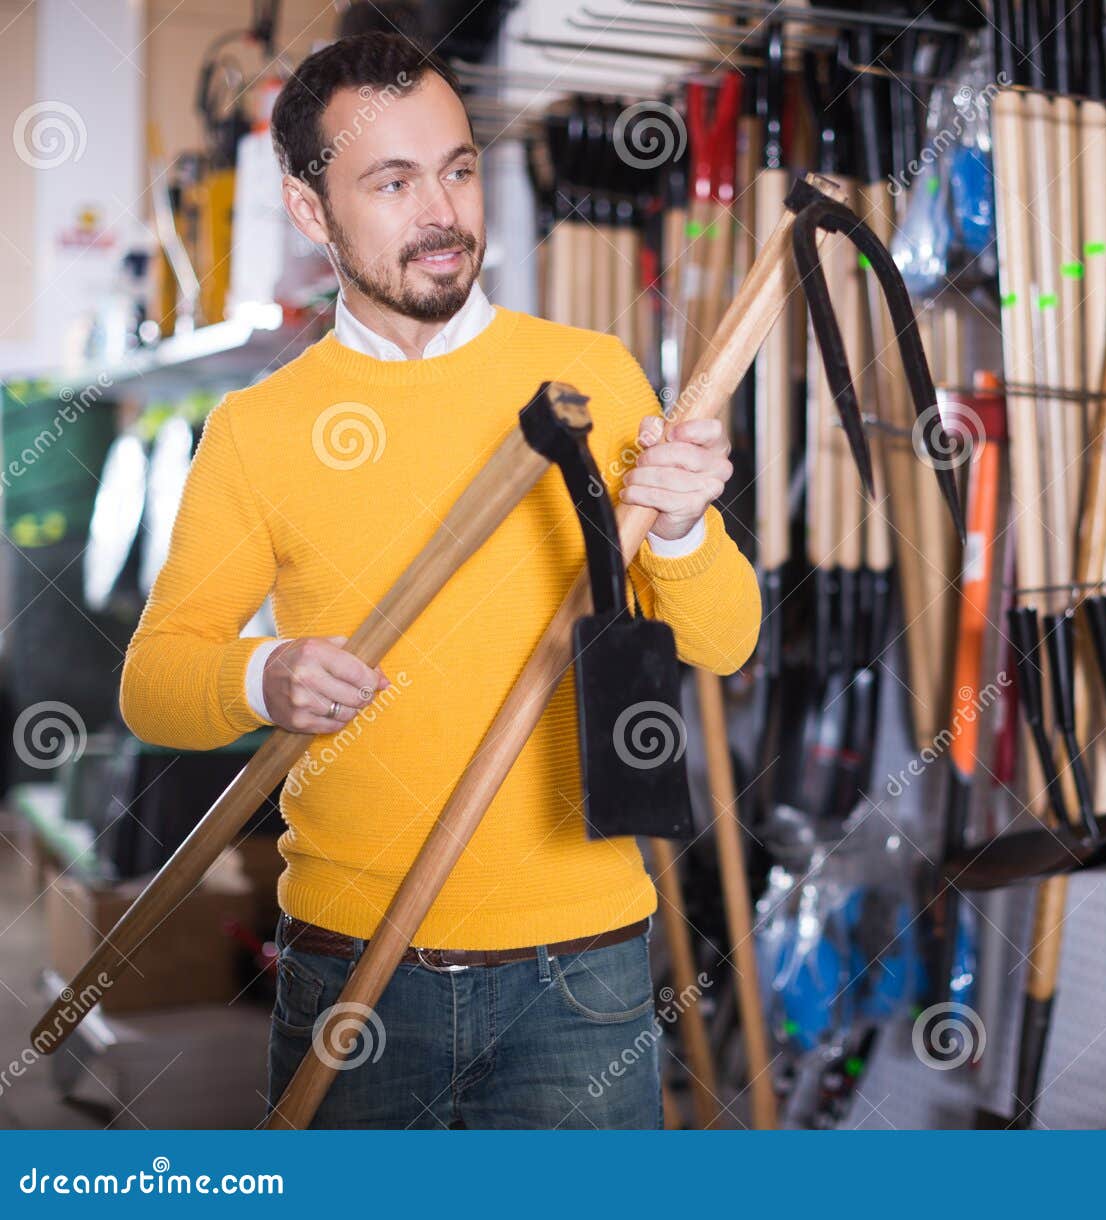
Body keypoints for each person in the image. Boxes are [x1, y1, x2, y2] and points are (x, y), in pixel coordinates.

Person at [119, 32, 760, 1129]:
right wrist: (266, 676)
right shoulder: (258, 431)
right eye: (394, 180)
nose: (444, 212)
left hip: (581, 973)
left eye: (459, 168)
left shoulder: (586, 375)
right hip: (351, 973)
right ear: (311, 212)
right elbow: (154, 682)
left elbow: (724, 639)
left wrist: (690, 525)